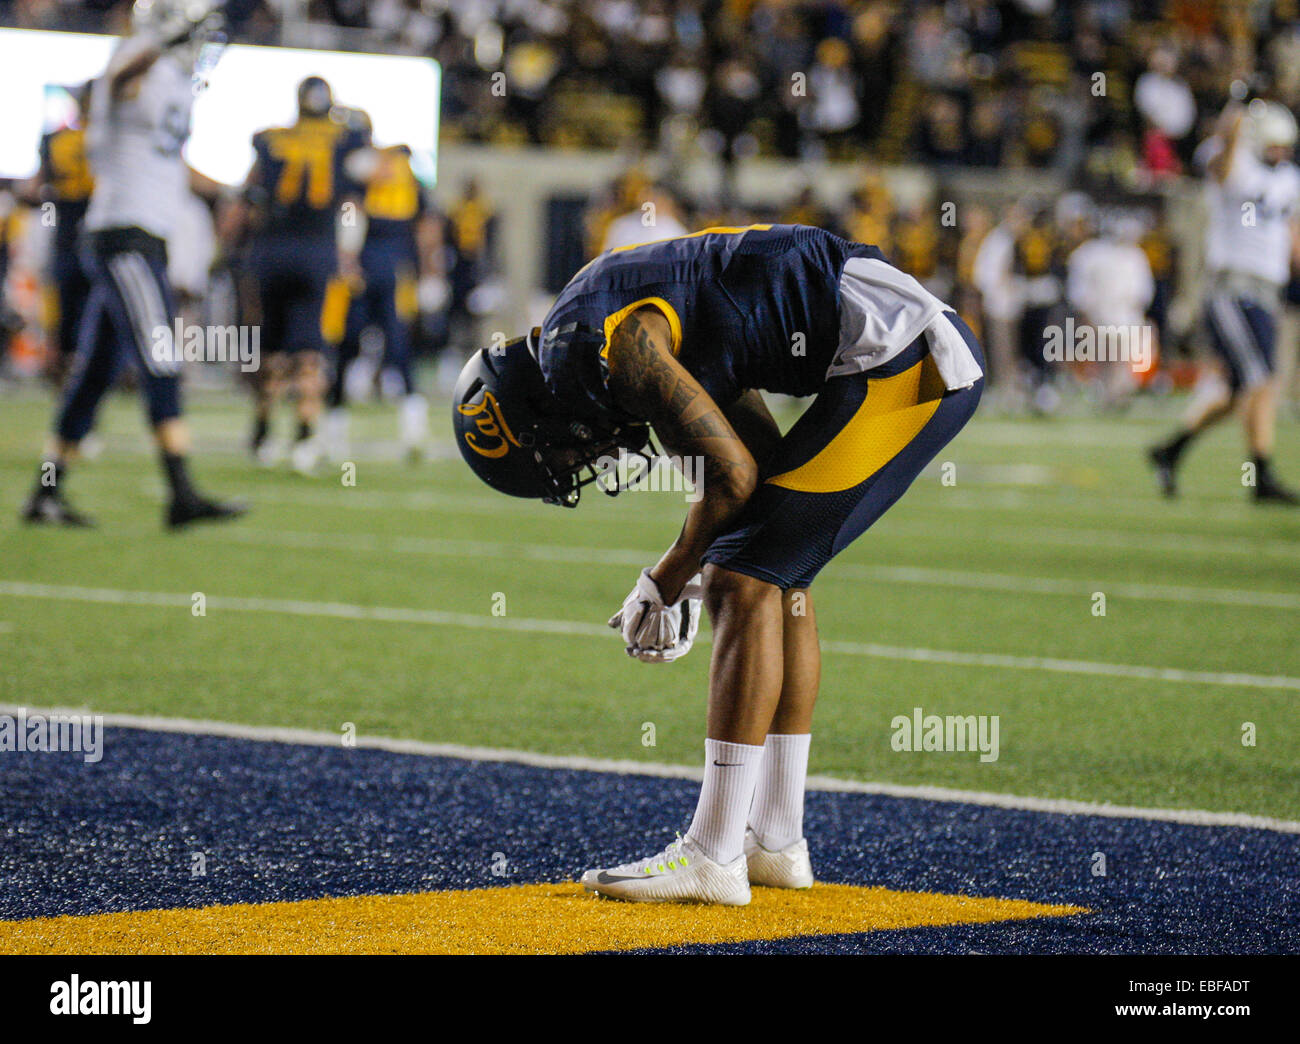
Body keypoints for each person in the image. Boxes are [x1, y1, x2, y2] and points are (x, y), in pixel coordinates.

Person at [451, 224, 984, 905]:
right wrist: (688, 571)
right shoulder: (618, 318)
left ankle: (714, 854)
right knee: (775, 573)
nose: (583, 462)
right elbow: (745, 475)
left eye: (558, 458)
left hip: (908, 360)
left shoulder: (610, 348)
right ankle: (776, 839)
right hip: (903, 348)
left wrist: (668, 580)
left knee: (745, 577)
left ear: (542, 411)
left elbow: (729, 481)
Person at [21, 0, 244, 529]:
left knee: (95, 374)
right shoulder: (132, 60)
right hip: (123, 235)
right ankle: (181, 492)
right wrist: (160, 43)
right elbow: (119, 76)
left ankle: (44, 495)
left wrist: (233, 188)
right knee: (161, 356)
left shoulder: (170, 77)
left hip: (144, 238)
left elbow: (167, 161)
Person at [1149, 100, 1300, 504]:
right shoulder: (1235, 162)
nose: (1280, 152)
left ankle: (1170, 451)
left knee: (1240, 391)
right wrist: (1237, 111)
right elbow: (1225, 166)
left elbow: (1292, 232)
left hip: (1268, 291)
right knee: (1263, 380)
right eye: (1274, 144)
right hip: (1233, 289)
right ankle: (1261, 477)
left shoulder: (1289, 178)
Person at [236, 76, 368, 473]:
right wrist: (348, 254)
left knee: (271, 350)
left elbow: (250, 195)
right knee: (309, 353)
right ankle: (306, 436)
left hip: (271, 251)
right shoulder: (343, 139)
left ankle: (261, 432)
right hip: (316, 253)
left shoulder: (272, 139)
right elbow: (355, 196)